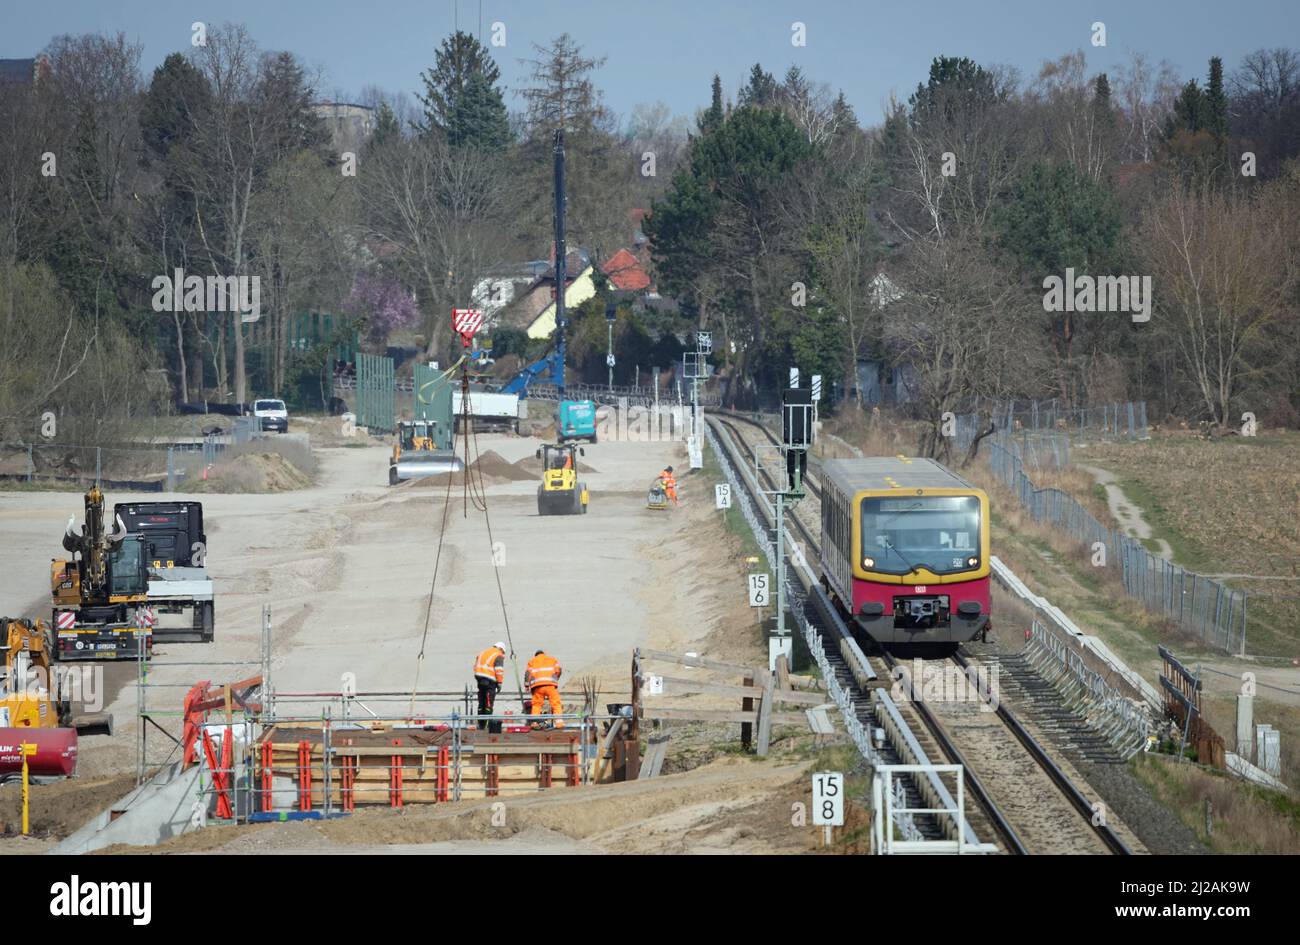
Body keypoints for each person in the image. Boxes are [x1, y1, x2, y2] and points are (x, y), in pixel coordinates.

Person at [473, 641, 507, 733]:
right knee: (489, 702)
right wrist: (499, 683)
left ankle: (481, 724)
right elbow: (499, 670)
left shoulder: (484, 652)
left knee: (481, 701)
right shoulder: (498, 654)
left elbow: (475, 665)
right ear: (501, 649)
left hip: (479, 678)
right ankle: (487, 725)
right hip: (489, 680)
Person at [524, 649, 563, 729]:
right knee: (555, 703)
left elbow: (528, 674)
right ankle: (559, 723)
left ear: (536, 655)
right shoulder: (552, 659)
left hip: (538, 686)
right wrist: (556, 679)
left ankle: (534, 723)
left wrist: (527, 685)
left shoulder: (532, 661)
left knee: (536, 705)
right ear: (544, 654)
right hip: (550, 685)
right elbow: (558, 670)